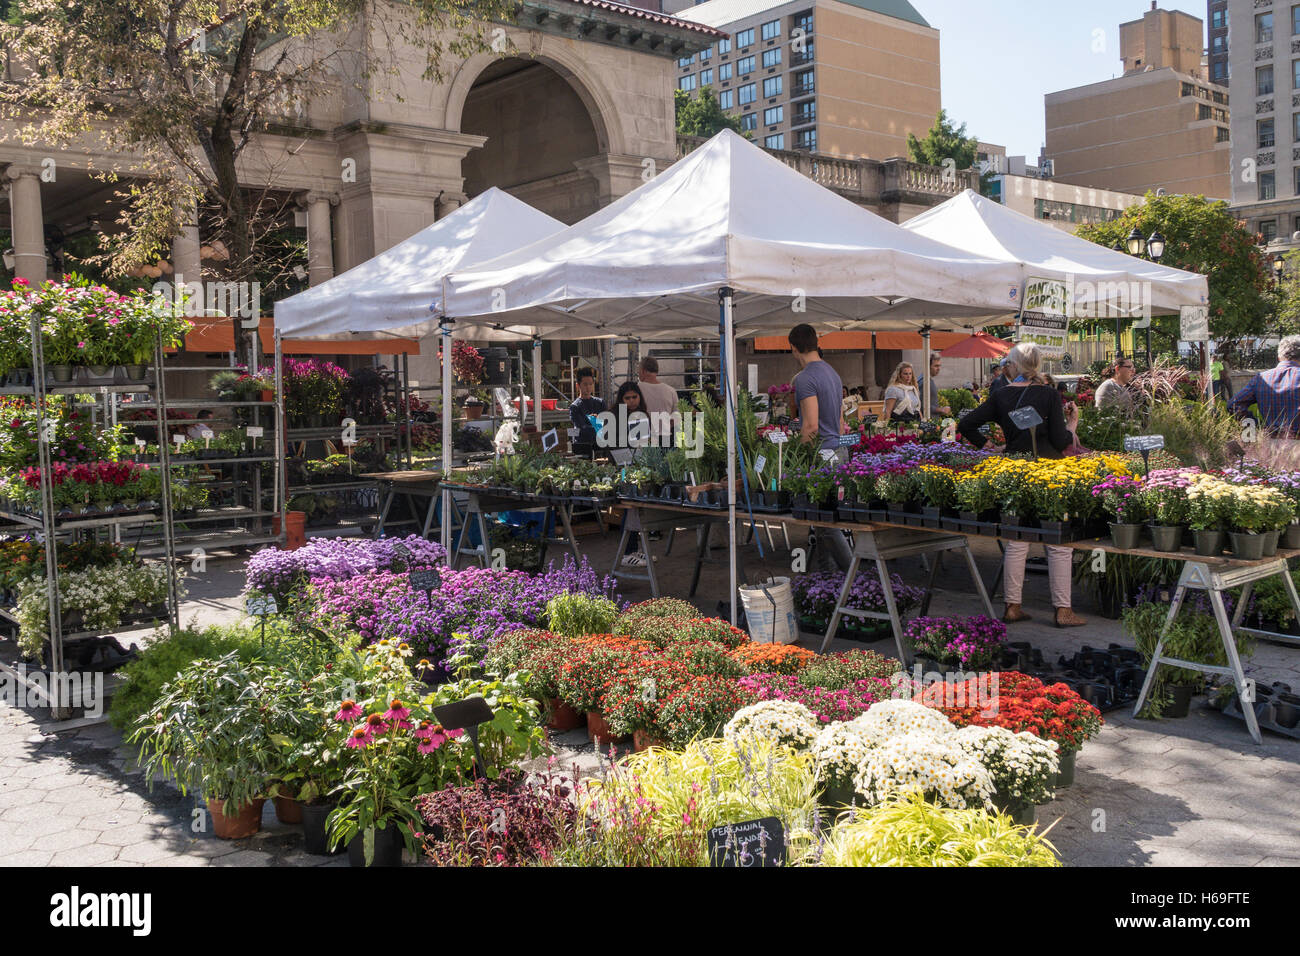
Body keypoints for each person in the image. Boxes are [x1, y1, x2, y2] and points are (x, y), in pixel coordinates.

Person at [958, 343, 1086, 628]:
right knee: (1058, 542)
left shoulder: (1001, 395)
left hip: (1015, 469)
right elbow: (1060, 440)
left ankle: (1013, 606)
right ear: (1038, 365)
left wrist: (990, 446)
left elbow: (966, 424)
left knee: (1017, 540)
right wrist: (1072, 424)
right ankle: (1063, 610)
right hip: (1049, 471)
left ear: (1013, 365)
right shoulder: (1049, 394)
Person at [789, 323, 852, 572]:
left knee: (826, 522)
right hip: (839, 451)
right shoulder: (833, 373)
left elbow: (811, 426)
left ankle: (852, 576)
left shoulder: (805, 378)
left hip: (822, 455)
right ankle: (827, 577)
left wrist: (799, 459)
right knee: (824, 517)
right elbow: (840, 423)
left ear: (793, 348)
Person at [1230, 334, 1300, 436]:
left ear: (1279, 357)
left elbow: (1234, 405)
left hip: (1270, 444)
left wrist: (1257, 427)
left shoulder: (1261, 379)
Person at [636, 356, 678, 441]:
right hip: (666, 437)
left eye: (639, 371)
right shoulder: (671, 391)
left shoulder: (636, 390)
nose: (638, 373)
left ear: (643, 371)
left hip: (642, 437)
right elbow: (676, 418)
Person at [568, 368, 605, 457]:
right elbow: (582, 429)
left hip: (600, 446)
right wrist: (597, 423)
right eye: (585, 384)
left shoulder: (600, 403)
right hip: (583, 448)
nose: (588, 387)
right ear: (578, 386)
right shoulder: (575, 407)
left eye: (590, 384)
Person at [917, 352, 952, 418]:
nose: (938, 368)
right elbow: (922, 405)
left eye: (939, 366)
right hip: (928, 422)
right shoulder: (924, 381)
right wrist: (941, 409)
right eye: (936, 366)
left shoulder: (927, 380)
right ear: (928, 366)